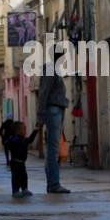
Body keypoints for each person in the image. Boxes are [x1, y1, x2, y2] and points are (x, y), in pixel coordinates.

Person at [37, 66, 70, 194]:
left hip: (56, 109)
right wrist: (41, 114)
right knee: (53, 149)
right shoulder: (50, 69)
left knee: (53, 148)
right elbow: (44, 92)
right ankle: (53, 183)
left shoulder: (55, 70)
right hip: (53, 110)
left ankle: (53, 183)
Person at [3, 120, 38, 198]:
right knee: (16, 177)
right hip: (15, 162)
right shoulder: (14, 139)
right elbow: (7, 143)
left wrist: (35, 130)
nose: (25, 131)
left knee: (24, 176)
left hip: (22, 163)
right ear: (18, 131)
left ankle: (24, 189)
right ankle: (15, 190)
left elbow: (30, 139)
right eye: (24, 129)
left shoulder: (24, 139)